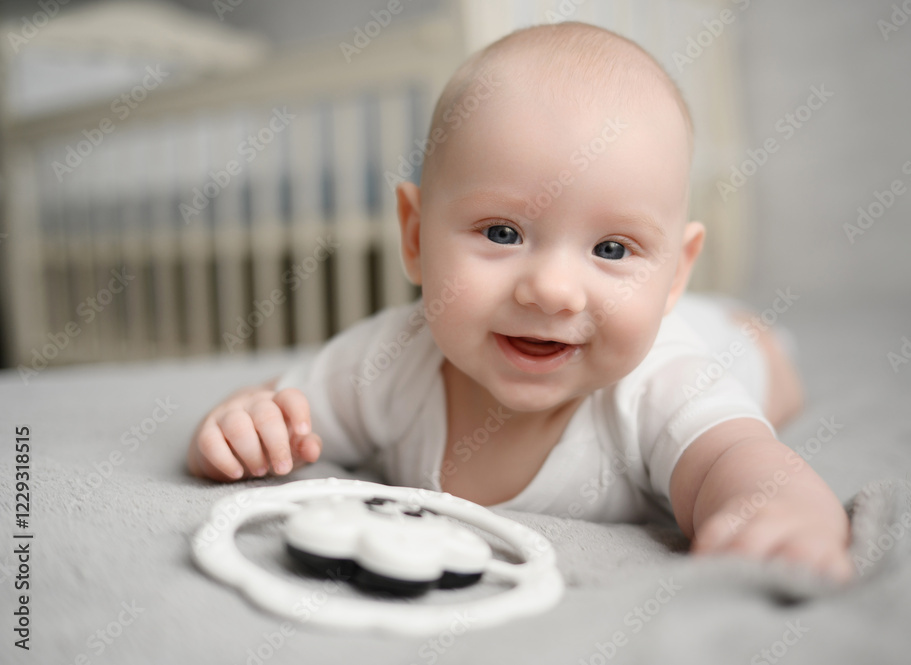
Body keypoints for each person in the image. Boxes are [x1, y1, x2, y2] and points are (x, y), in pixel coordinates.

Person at [187, 22, 851, 581]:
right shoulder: (390, 359)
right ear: (416, 237)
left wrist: (779, 506)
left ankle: (753, 332)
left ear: (675, 271)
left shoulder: (664, 383)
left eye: (613, 249)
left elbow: (733, 458)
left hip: (722, 340)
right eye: (502, 233)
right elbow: (287, 410)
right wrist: (247, 423)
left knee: (764, 373)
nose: (553, 290)